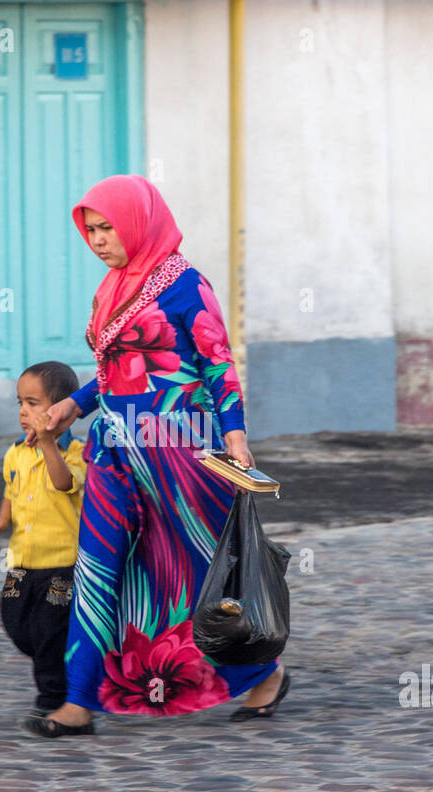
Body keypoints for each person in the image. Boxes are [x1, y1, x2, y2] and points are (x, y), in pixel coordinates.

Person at [23, 175, 290, 738]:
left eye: (107, 228)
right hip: (115, 455)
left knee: (195, 580)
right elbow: (111, 371)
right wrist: (75, 403)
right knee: (97, 568)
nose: (97, 240)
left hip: (181, 457)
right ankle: (77, 702)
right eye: (89, 230)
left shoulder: (186, 285)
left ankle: (263, 671)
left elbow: (218, 363)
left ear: (139, 223)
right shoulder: (112, 287)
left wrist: (236, 439)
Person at [0, 361, 87, 721]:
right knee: (14, 619)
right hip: (21, 562)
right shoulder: (15, 453)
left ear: (62, 410)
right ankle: (56, 658)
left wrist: (48, 443)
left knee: (50, 627)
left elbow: (63, 483)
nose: (24, 412)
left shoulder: (75, 452)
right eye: (20, 403)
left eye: (33, 403)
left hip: (61, 564)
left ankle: (53, 696)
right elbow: (12, 489)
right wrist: (3, 517)